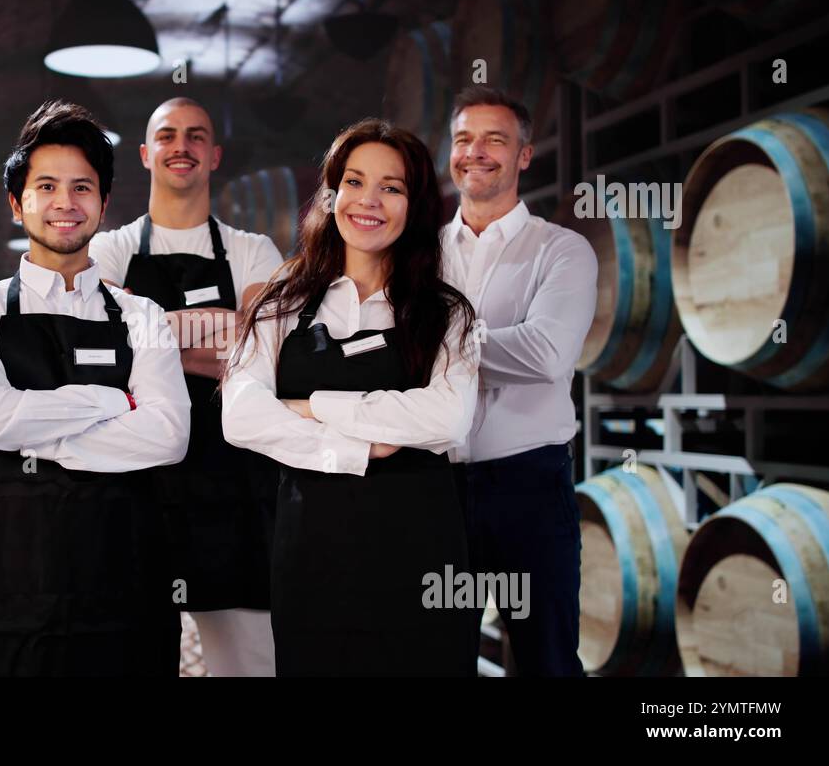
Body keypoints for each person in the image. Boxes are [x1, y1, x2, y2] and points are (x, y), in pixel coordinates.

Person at [222, 118, 480, 676]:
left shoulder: (448, 313)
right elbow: (240, 415)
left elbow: (448, 415)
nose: (369, 201)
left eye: (392, 187)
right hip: (313, 548)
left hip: (420, 549)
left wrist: (312, 405)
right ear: (331, 193)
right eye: (354, 182)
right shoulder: (281, 302)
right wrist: (361, 449)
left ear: (415, 206)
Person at [0, 100, 190, 676]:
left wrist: (31, 436)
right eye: (46, 185)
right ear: (16, 203)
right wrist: (109, 402)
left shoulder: (141, 314)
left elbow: (169, 436)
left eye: (82, 188)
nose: (65, 202)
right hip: (13, 581)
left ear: (103, 204)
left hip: (125, 571)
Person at [88, 97, 282, 676]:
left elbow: (261, 355)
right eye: (167, 135)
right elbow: (101, 356)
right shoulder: (110, 249)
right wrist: (214, 337)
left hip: (236, 487)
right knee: (134, 654)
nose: (182, 145)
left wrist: (152, 335)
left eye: (196, 136)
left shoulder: (253, 250)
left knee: (249, 662)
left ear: (214, 155)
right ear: (146, 154)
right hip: (139, 487)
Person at [441, 87, 598, 677]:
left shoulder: (562, 251)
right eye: (463, 139)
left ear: (524, 156)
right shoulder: (420, 256)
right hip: (436, 490)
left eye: (494, 140)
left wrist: (434, 345)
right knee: (437, 657)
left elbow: (547, 354)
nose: (475, 152)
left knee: (547, 662)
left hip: (528, 486)